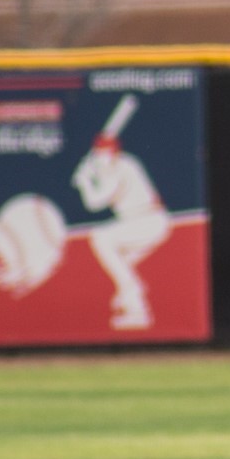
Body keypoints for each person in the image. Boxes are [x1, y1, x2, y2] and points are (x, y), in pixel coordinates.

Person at [71, 132, 172, 329]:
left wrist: (84, 182)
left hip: (146, 221)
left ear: (115, 152)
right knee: (121, 264)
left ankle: (132, 290)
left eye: (107, 152)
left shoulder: (122, 167)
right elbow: (102, 181)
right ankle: (136, 309)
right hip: (145, 222)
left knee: (100, 237)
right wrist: (91, 174)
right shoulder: (120, 165)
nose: (103, 156)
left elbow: (94, 203)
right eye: (100, 152)